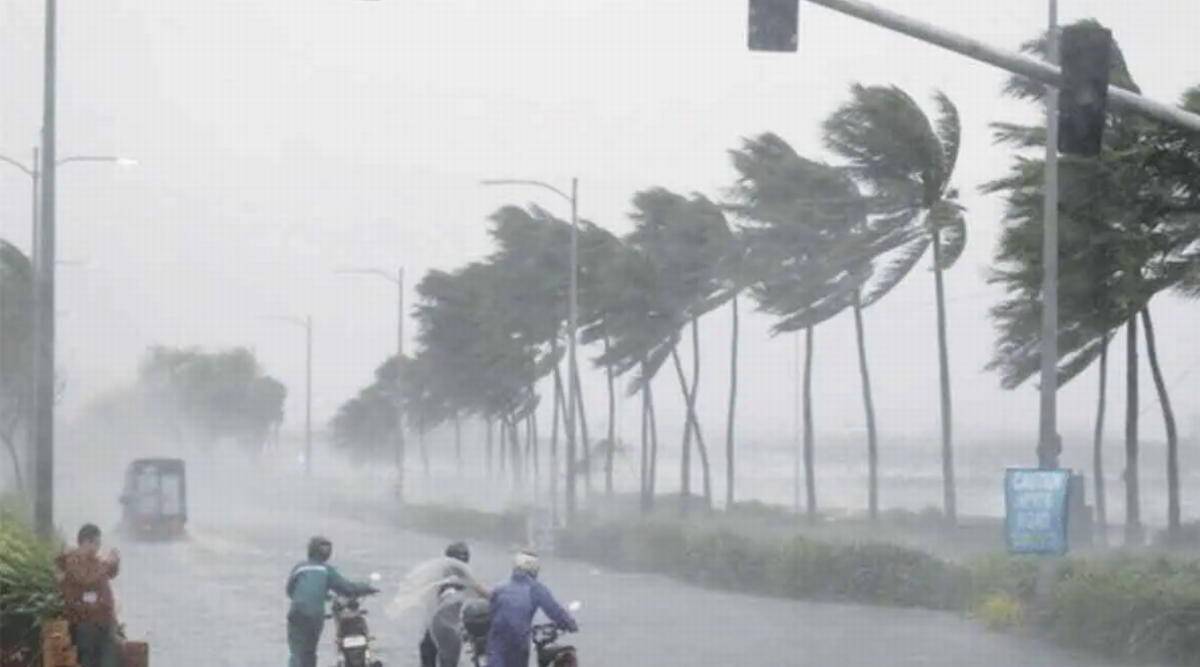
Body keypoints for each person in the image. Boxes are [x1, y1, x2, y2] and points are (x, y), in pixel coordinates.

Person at [286, 536, 378, 667]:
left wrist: (320, 596)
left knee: (296, 651)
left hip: (297, 612)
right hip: (315, 615)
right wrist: (367, 588)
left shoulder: (299, 568)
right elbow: (347, 588)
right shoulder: (326, 570)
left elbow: (290, 590)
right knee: (309, 651)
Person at [486, 550, 577, 667]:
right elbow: (554, 611)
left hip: (496, 641)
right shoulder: (535, 589)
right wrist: (569, 624)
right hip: (518, 641)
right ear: (534, 569)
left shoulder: (500, 587)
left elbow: (491, 612)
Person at [56, 524, 121, 667]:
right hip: (85, 622)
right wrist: (106, 565)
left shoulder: (95, 561)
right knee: (88, 661)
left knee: (109, 661)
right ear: (85, 542)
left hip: (104, 621)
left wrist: (114, 563)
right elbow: (85, 579)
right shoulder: (72, 560)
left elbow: (110, 573)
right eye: (96, 543)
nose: (98, 548)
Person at [420, 542, 488, 667]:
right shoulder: (458, 576)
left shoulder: (446, 574)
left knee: (431, 652)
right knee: (433, 652)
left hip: (445, 626)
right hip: (445, 625)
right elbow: (483, 593)